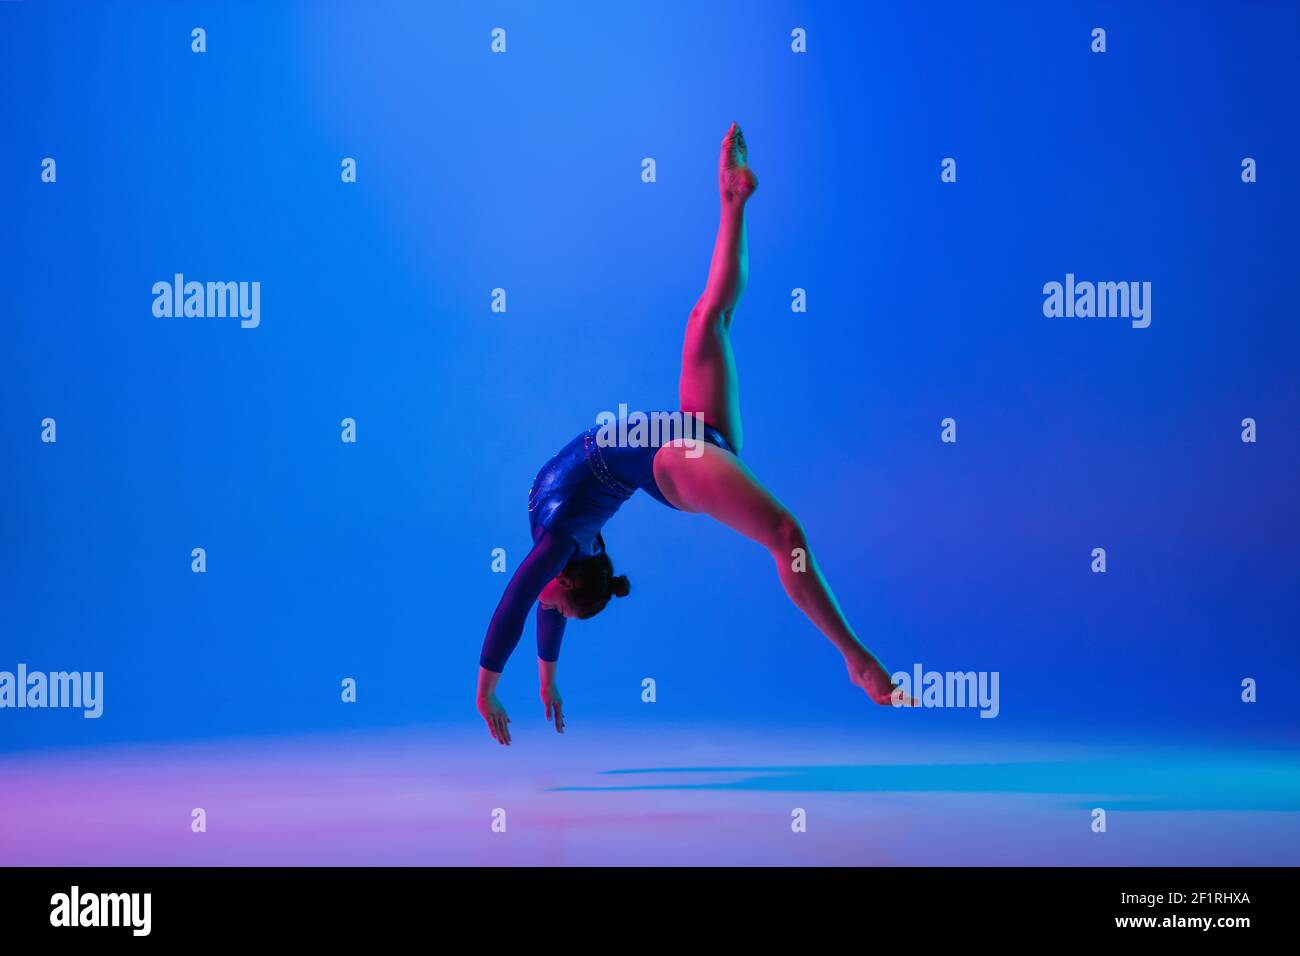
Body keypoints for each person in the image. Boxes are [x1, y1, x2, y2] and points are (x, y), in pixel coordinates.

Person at [477, 123, 912, 745]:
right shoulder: (564, 544)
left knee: (709, 316)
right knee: (785, 533)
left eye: (559, 605)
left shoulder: (563, 550)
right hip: (675, 458)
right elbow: (529, 601)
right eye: (562, 605)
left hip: (687, 434)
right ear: (572, 575)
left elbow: (532, 602)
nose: (552, 607)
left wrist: (526, 684)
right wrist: (510, 682)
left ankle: (733, 199)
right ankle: (857, 659)